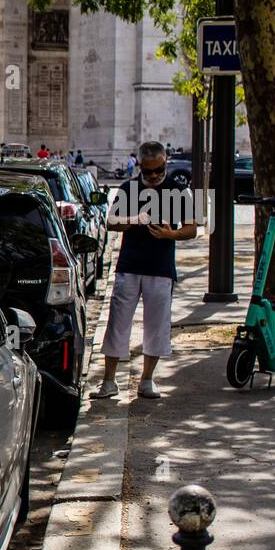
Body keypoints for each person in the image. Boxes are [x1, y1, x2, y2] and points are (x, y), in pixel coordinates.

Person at [93, 141, 199, 401]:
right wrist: (134, 220)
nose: (153, 176)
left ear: (165, 163)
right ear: (139, 166)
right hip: (129, 265)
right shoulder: (129, 188)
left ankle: (147, 380)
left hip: (160, 268)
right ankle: (109, 381)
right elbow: (111, 222)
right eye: (147, 171)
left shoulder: (176, 190)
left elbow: (191, 228)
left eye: (158, 170)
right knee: (118, 323)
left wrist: (169, 234)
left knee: (157, 326)